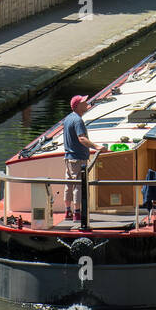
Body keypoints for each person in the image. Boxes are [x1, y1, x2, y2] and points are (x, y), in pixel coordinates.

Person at [62, 95, 100, 224]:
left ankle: (68, 211)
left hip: (68, 158)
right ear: (78, 105)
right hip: (78, 158)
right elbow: (81, 138)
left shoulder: (68, 118)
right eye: (84, 102)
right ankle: (77, 214)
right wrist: (96, 146)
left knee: (68, 185)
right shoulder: (78, 120)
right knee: (78, 185)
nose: (87, 103)